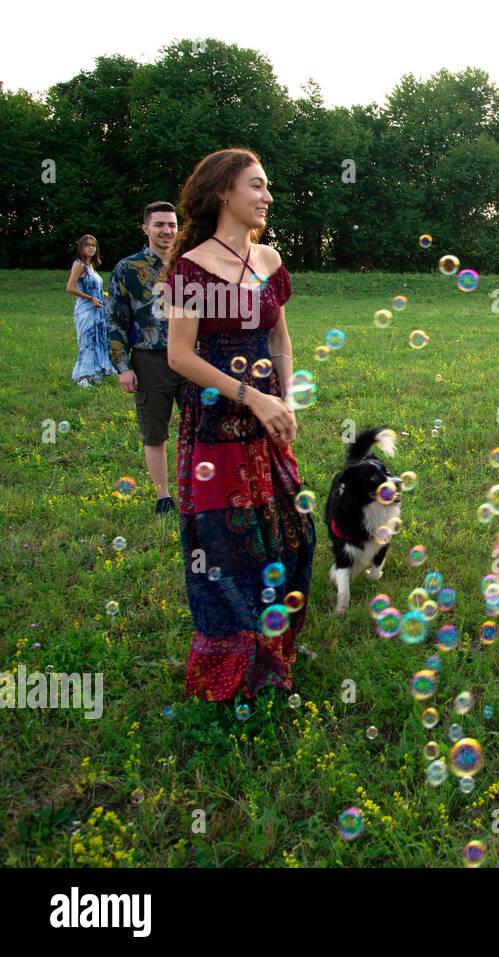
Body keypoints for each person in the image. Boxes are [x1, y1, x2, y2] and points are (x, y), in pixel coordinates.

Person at [160, 148, 314, 703]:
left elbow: (280, 339)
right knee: (229, 544)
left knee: (290, 534)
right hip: (218, 419)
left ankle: (278, 638)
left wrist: (286, 401)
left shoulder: (269, 260)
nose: (267, 196)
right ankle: (239, 662)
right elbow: (180, 354)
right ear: (224, 191)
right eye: (257, 186)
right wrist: (251, 397)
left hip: (267, 415)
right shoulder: (192, 267)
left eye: (267, 186)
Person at [106, 202, 186, 515]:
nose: (167, 231)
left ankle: (197, 490)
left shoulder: (189, 264)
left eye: (172, 224)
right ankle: (163, 497)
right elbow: (115, 321)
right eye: (159, 225)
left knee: (198, 429)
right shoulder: (128, 268)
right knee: (155, 431)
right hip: (150, 360)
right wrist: (123, 367)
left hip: (191, 359)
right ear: (145, 228)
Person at [67, 235, 114, 386]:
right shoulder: (79, 265)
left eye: (93, 245)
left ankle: (94, 374)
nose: (91, 248)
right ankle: (82, 377)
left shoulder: (91, 266)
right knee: (86, 342)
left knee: (98, 341)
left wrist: (103, 295)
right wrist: (90, 298)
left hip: (98, 311)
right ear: (81, 247)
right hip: (86, 310)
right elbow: (70, 288)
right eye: (87, 245)